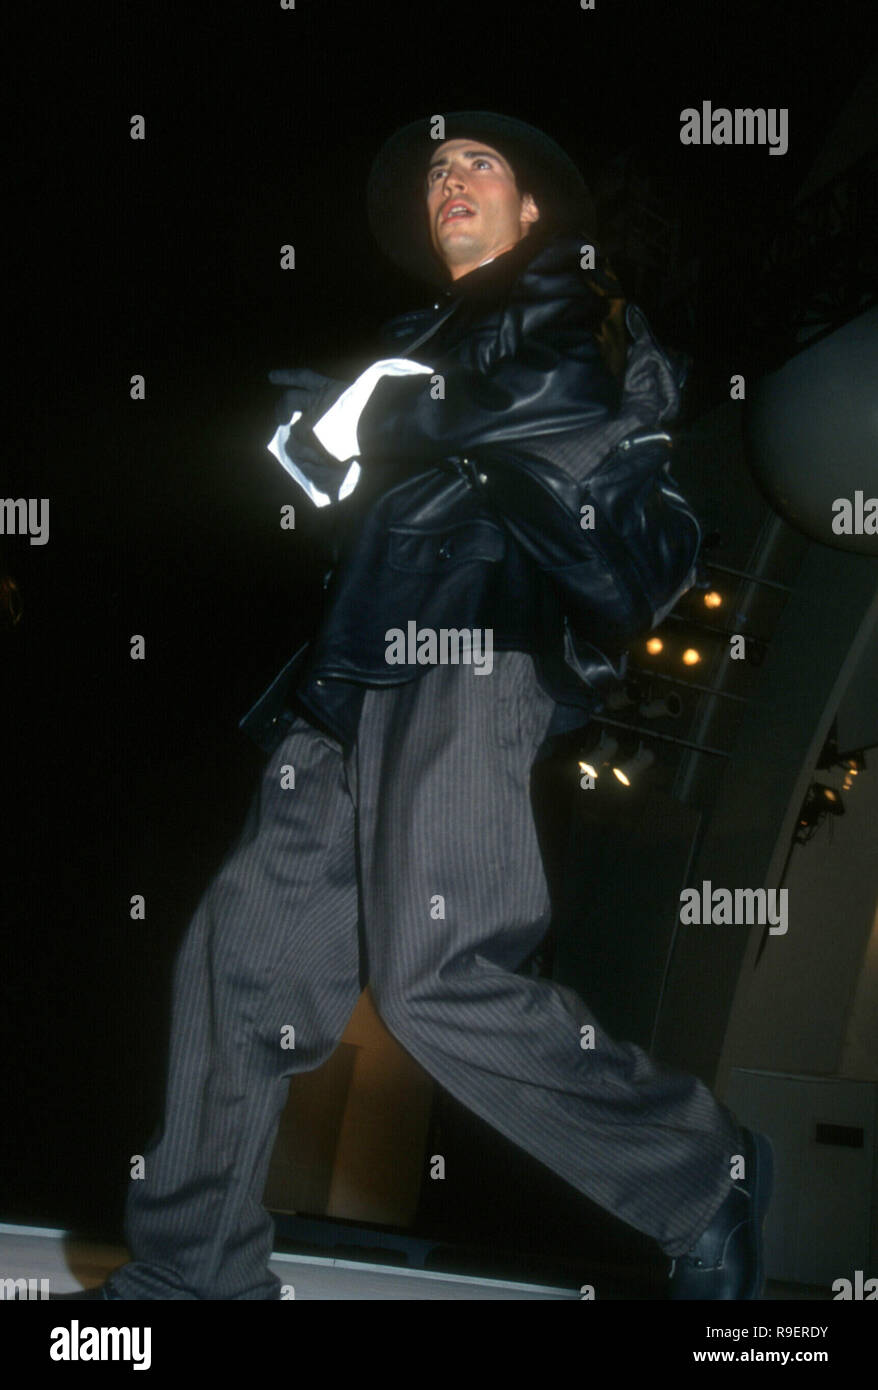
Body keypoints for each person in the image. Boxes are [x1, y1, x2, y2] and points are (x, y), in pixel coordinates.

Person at [52, 111, 772, 1302]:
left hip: (471, 647)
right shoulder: (418, 341)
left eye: (478, 163)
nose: (451, 179)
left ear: (530, 208)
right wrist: (335, 451)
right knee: (240, 969)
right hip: (350, 678)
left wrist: (379, 413)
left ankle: (698, 1174)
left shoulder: (567, 295)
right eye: (437, 168)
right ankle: (193, 1273)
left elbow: (562, 399)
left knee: (437, 975)